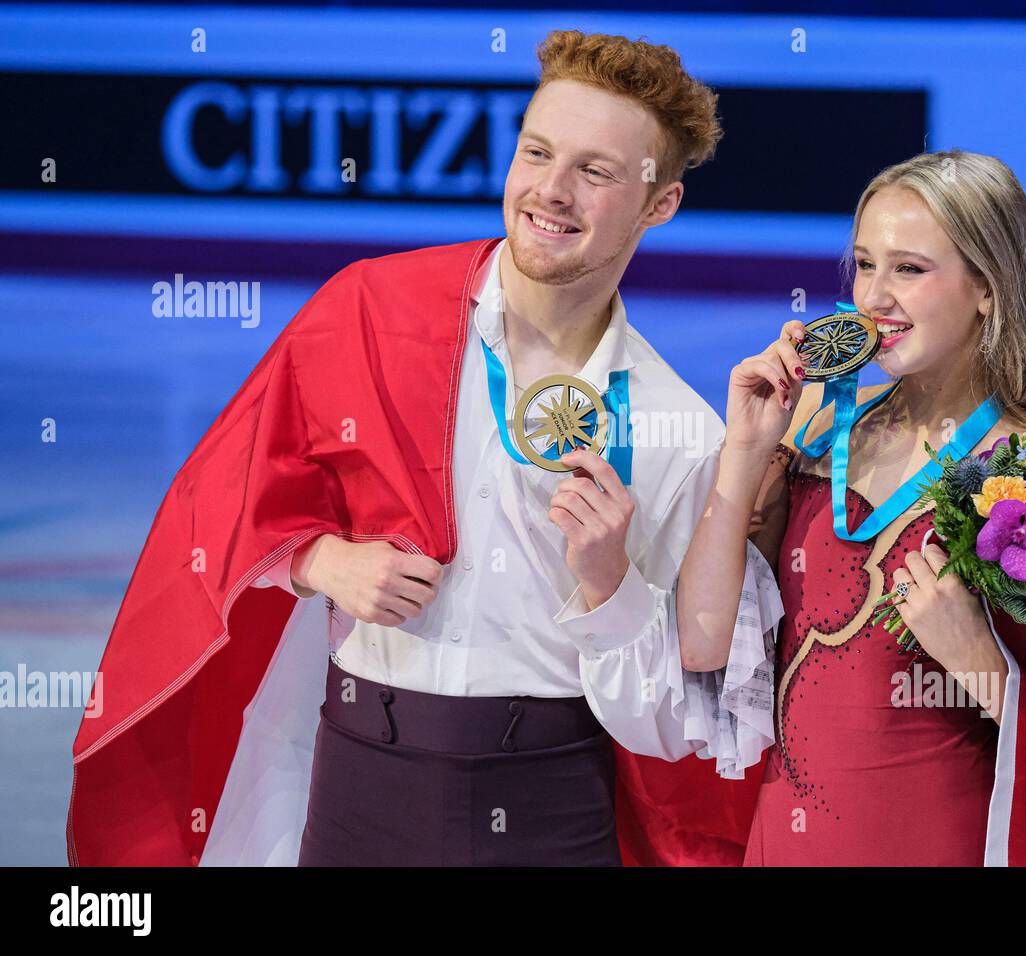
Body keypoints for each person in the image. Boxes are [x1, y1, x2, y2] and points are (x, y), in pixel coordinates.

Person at [66, 30, 774, 867]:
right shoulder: (372, 311)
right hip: (360, 787)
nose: (550, 191)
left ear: (660, 205)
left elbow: (674, 730)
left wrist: (609, 584)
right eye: (537, 152)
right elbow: (210, 505)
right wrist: (316, 559)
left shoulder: (678, 432)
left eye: (596, 171)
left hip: (553, 806)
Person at [674, 149, 1026, 865]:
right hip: (783, 836)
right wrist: (743, 460)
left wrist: (979, 659)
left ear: (988, 287)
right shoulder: (816, 429)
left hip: (930, 839)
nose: (874, 297)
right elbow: (704, 647)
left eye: (910, 269)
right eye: (864, 263)